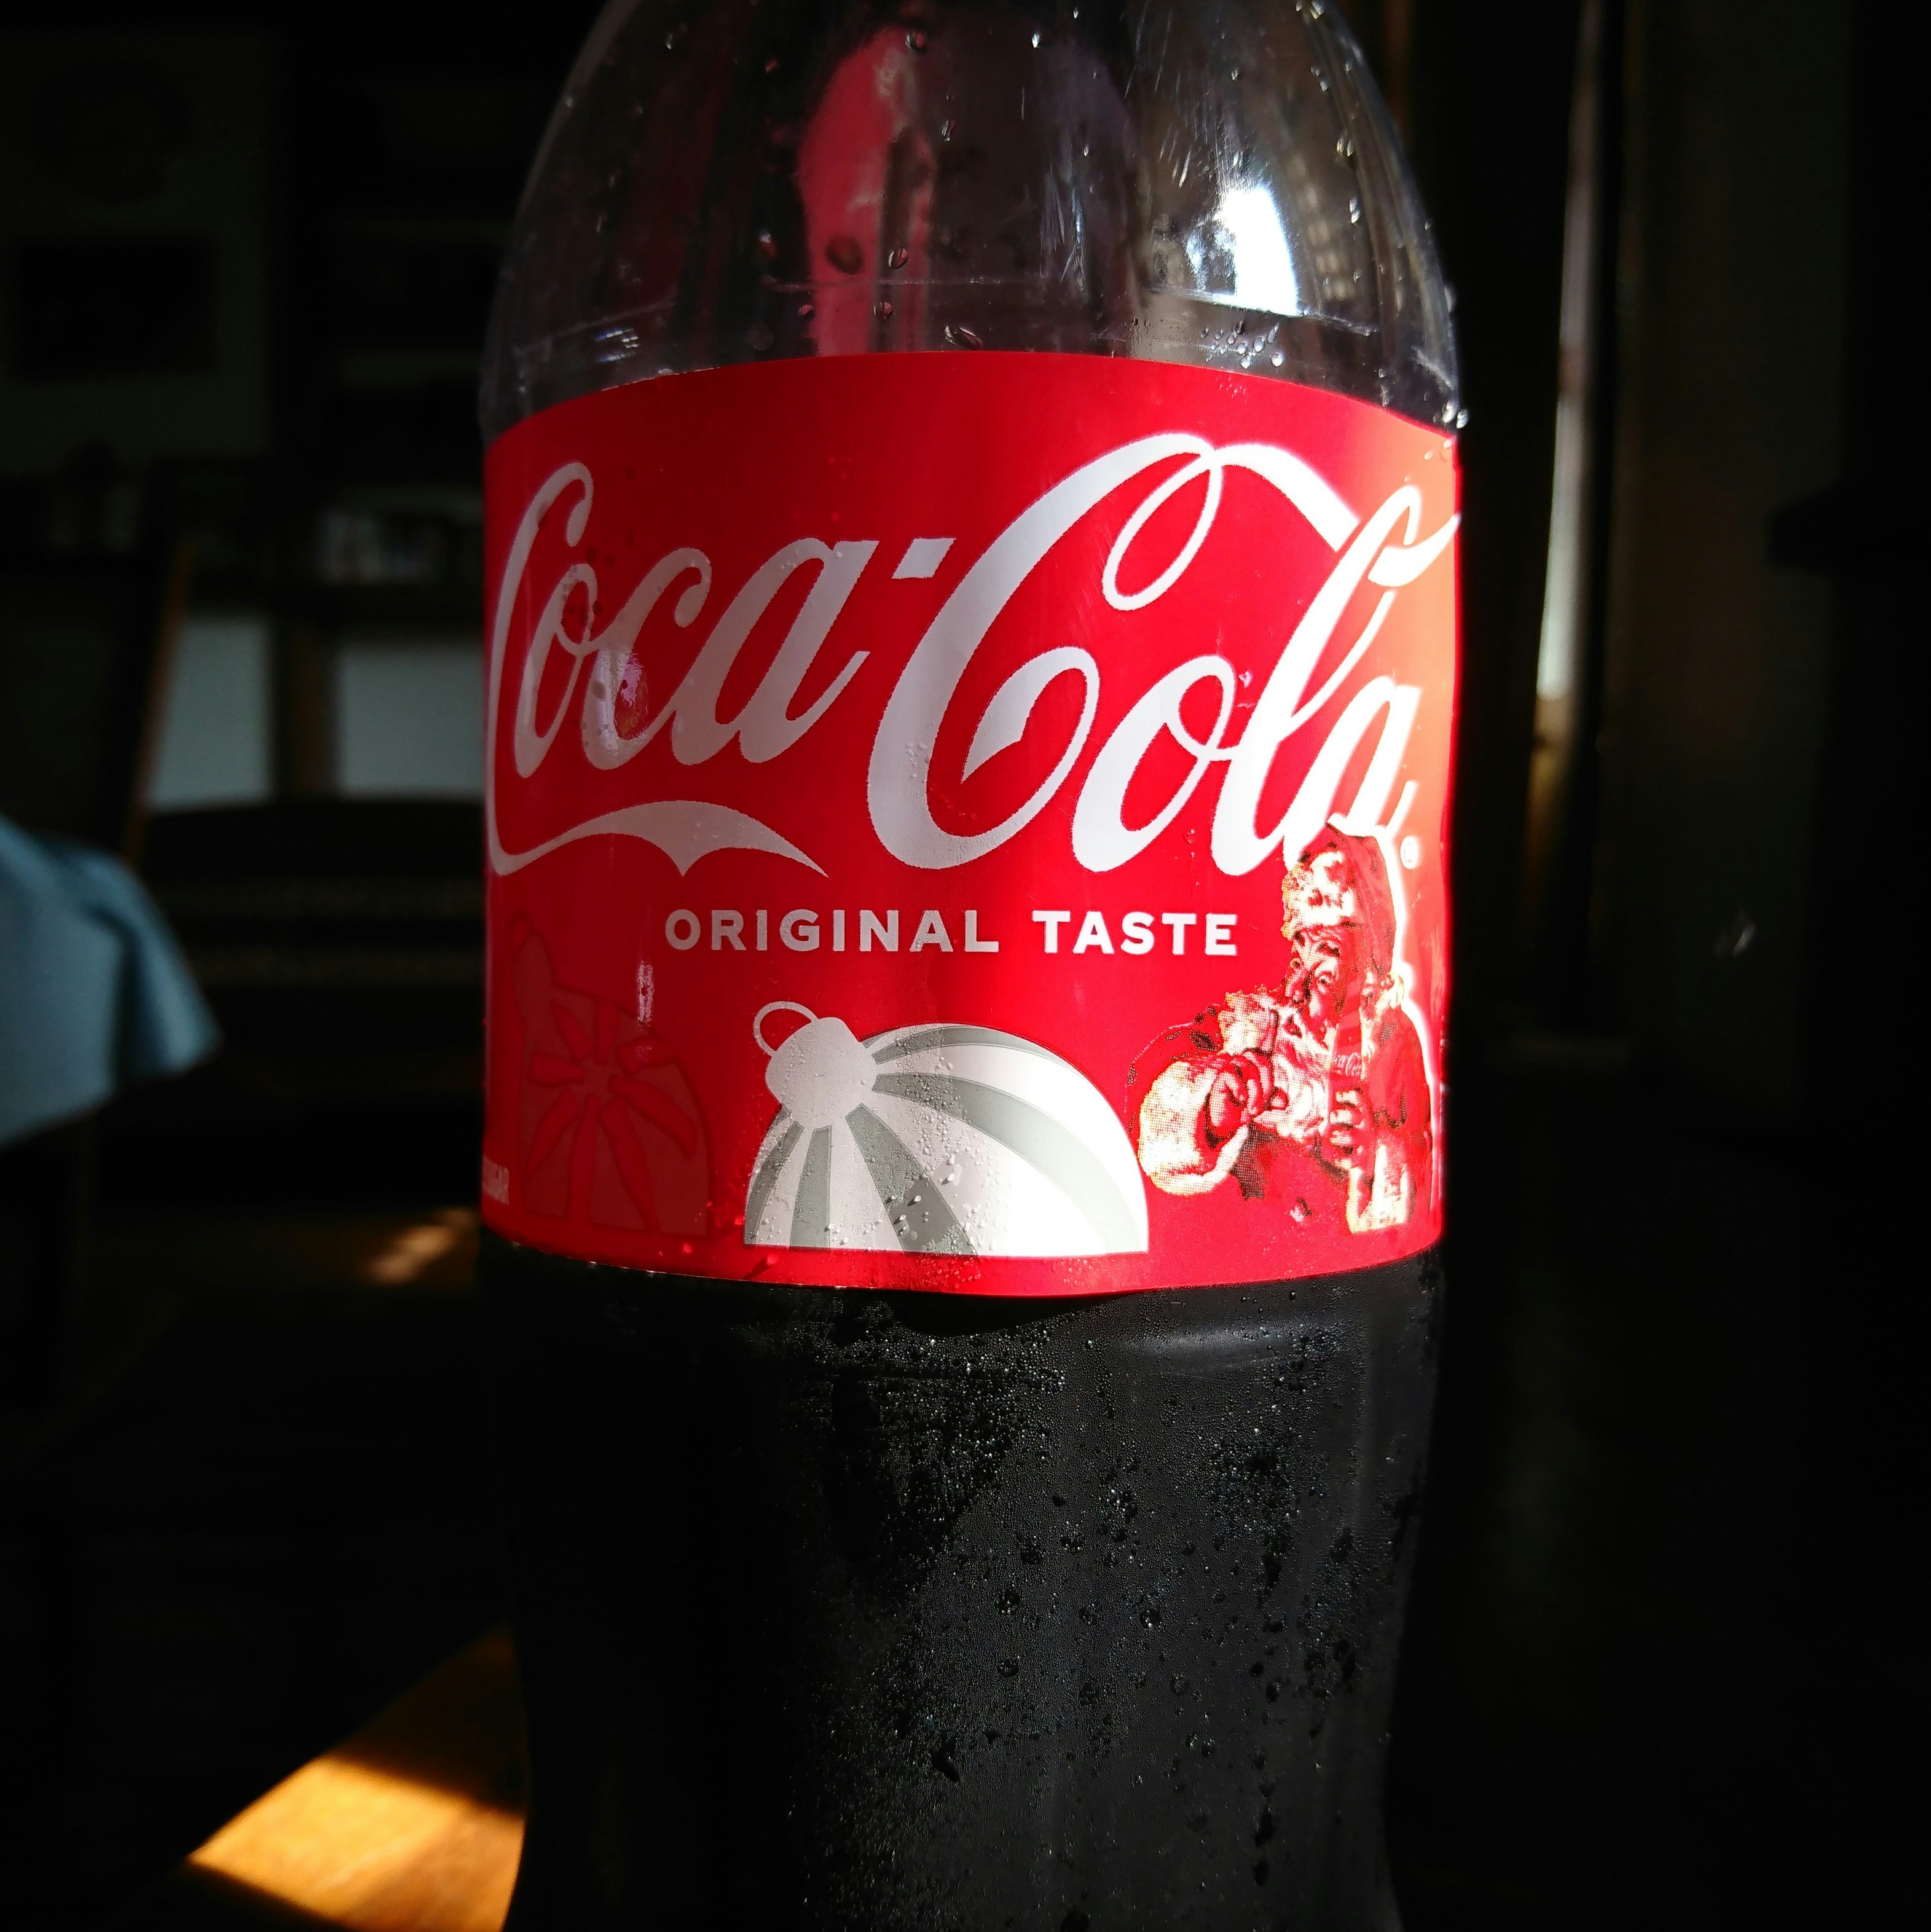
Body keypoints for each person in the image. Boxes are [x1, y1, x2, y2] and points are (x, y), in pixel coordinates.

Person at [1131, 824, 1433, 1233]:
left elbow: (1419, 1161)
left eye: (1328, 949)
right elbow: (1155, 1094)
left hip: (1343, 1276)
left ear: (1369, 960)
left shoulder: (1393, 1042)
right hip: (1252, 1259)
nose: (1309, 968)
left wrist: (1374, 1150)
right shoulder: (1250, 1026)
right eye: (1302, 945)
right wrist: (1209, 1106)